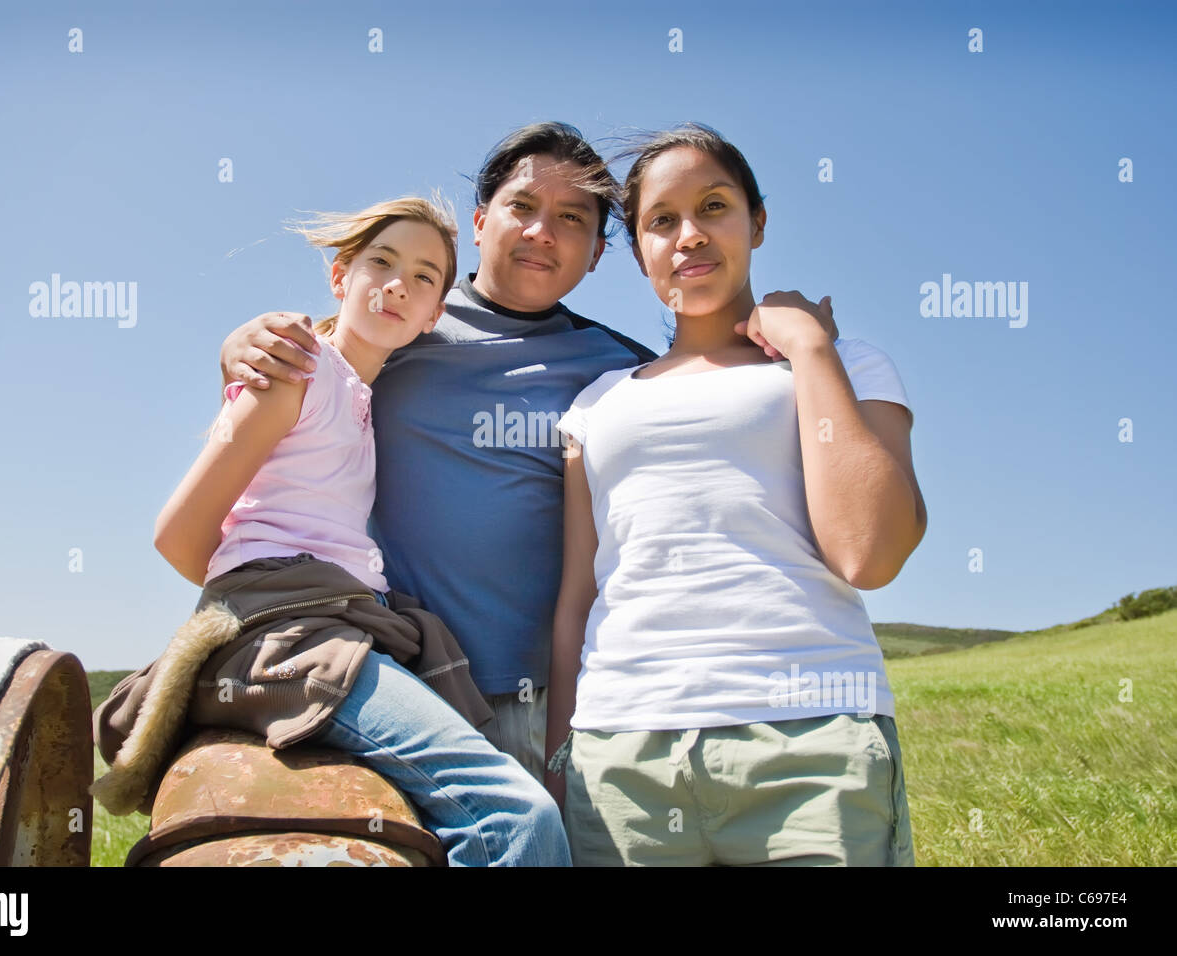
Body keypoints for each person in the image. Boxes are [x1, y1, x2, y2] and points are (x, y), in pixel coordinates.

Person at [107, 196, 570, 866]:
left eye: (422, 277)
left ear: (435, 312)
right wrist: (266, 591)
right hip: (290, 634)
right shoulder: (299, 366)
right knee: (516, 815)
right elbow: (177, 534)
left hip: (345, 623)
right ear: (338, 277)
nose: (397, 286)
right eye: (380, 262)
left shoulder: (363, 394)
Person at [217, 124, 661, 781]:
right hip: (396, 680)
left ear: (596, 253)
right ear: (480, 223)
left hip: (559, 698)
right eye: (522, 207)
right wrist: (237, 346)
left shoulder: (623, 370)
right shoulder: (403, 322)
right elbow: (297, 393)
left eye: (571, 219)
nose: (543, 231)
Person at [545, 123, 926, 866]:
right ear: (639, 250)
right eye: (661, 221)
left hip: (811, 739)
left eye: (713, 207)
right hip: (621, 755)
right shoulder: (593, 405)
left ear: (757, 221)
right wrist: (560, 761)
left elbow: (869, 554)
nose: (689, 235)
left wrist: (810, 347)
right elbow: (576, 599)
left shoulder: (847, 363)